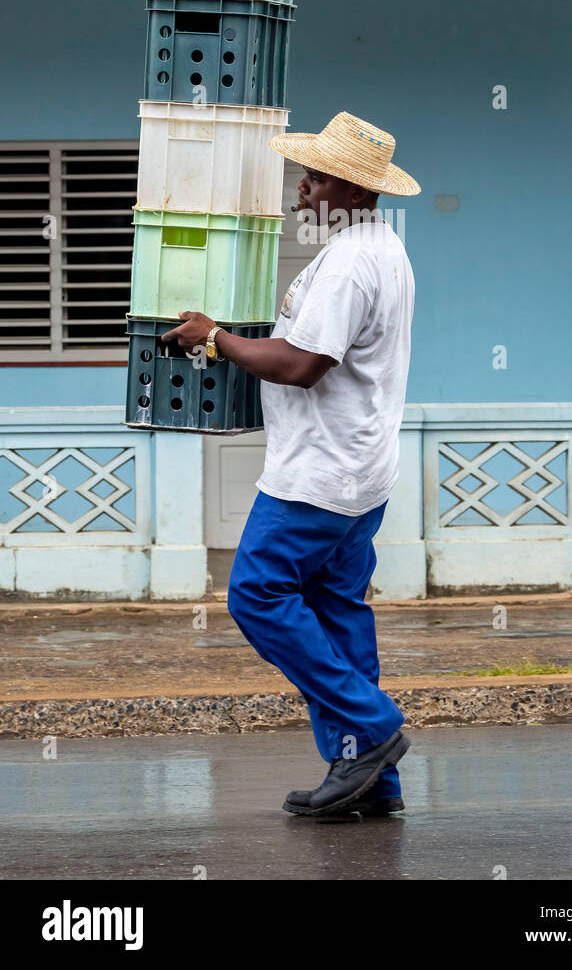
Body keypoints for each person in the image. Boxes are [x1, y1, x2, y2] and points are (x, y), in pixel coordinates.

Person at [162, 110, 420, 818]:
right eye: (306, 176)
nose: (302, 191)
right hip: (362, 474)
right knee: (337, 612)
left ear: (356, 191)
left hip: (318, 478)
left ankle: (372, 729)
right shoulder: (383, 250)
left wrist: (216, 338)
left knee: (256, 595)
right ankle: (373, 783)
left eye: (316, 178)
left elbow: (302, 365)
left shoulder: (348, 262)